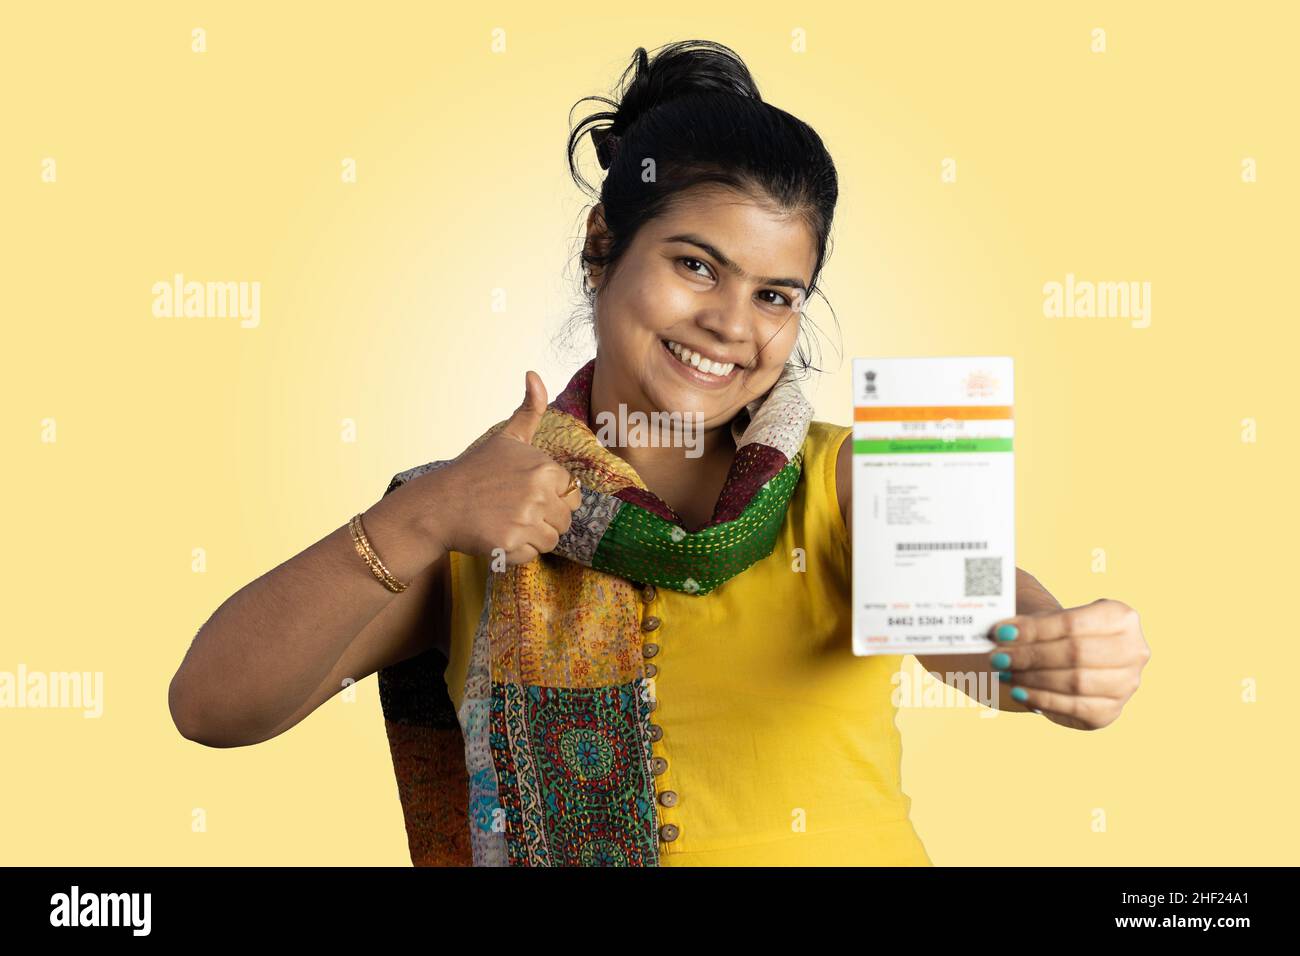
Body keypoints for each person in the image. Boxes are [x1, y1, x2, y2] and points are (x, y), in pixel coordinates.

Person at [169, 39, 1151, 866]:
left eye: (776, 293)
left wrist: (1060, 656)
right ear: (604, 244)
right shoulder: (483, 510)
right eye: (694, 265)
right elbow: (212, 705)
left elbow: (981, 632)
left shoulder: (849, 477)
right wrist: (417, 516)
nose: (730, 322)